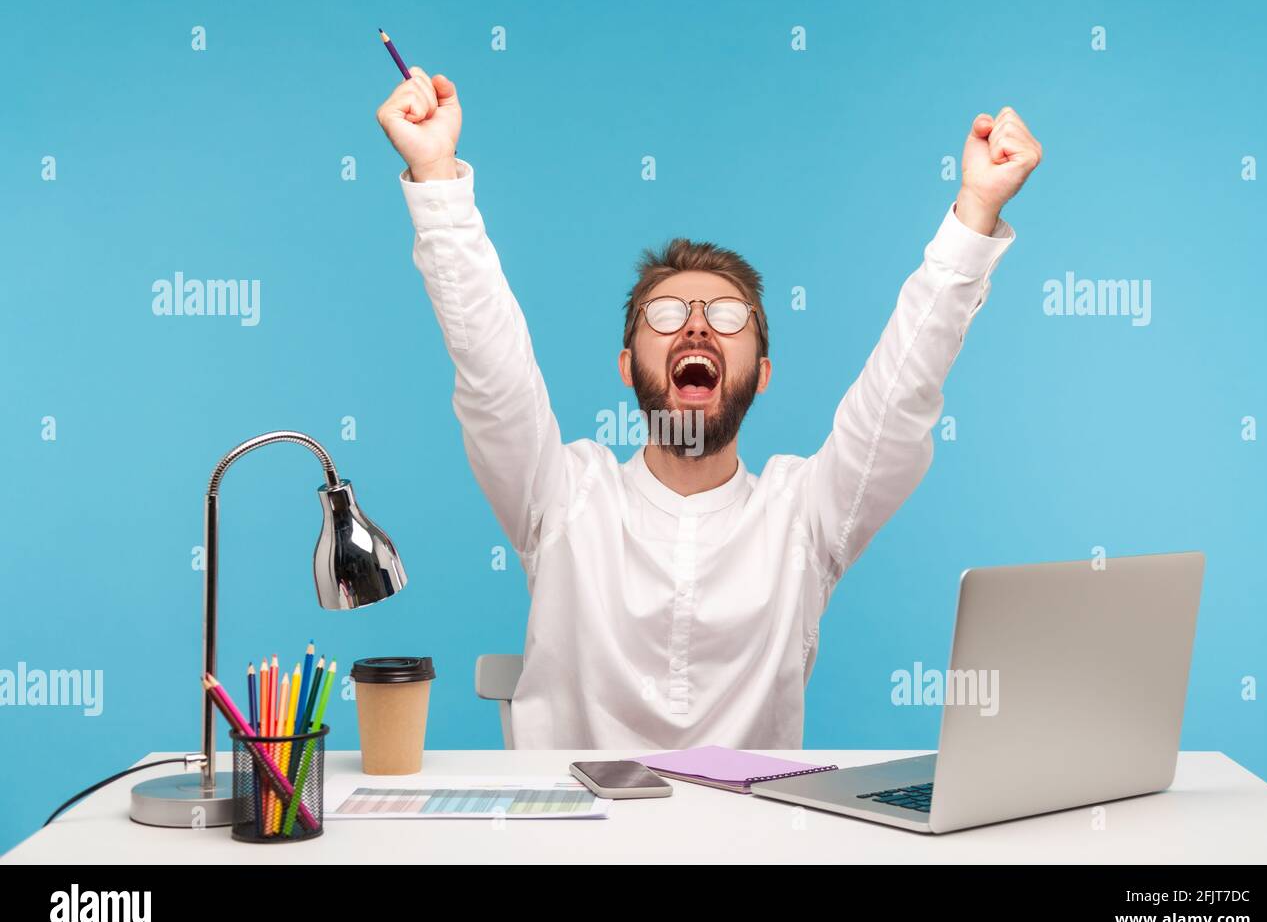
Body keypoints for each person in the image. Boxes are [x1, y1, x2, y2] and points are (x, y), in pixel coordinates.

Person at [377, 68, 1043, 749]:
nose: (696, 327)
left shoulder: (805, 515)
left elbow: (899, 398)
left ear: (760, 376)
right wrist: (436, 177)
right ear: (627, 366)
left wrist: (975, 212)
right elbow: (493, 372)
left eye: (727, 316)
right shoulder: (563, 493)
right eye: (665, 315)